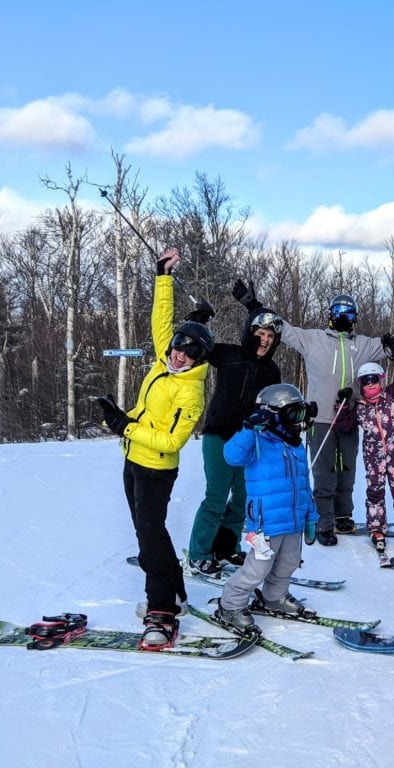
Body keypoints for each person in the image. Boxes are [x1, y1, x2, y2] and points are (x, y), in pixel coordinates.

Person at [94, 247, 213, 649]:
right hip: (132, 460)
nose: (178, 352)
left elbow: (172, 441)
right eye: (178, 344)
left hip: (157, 469)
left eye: (188, 350)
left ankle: (161, 607)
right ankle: (176, 590)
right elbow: (159, 321)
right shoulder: (164, 363)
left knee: (149, 536)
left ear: (199, 359)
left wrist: (124, 424)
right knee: (149, 532)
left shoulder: (190, 392)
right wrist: (163, 277)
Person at [277, 291, 394, 545]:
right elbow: (285, 330)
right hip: (321, 418)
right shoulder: (313, 339)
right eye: (338, 313)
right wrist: (256, 308)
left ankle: (343, 514)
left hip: (350, 416)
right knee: (324, 473)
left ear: (355, 317)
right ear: (330, 316)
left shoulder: (365, 344)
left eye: (348, 313)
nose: (342, 317)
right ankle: (324, 522)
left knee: (346, 469)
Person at [185, 289, 284, 576]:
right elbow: (196, 342)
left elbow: (273, 406)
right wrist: (200, 316)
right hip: (218, 435)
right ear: (250, 332)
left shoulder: (272, 371)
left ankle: (226, 548)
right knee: (216, 495)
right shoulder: (229, 354)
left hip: (249, 441)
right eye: (260, 333)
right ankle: (198, 554)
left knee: (242, 498)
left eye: (270, 336)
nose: (265, 341)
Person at [213, 384, 320, 632]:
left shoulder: (294, 444)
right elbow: (231, 455)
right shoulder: (257, 441)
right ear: (273, 413)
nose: (299, 421)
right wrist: (249, 429)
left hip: (293, 520)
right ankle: (230, 604)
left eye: (301, 413)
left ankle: (275, 596)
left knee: (289, 563)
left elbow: (303, 484)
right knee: (257, 569)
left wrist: (311, 516)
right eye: (294, 413)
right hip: (266, 523)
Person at [337, 335, 394, 558]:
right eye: (366, 380)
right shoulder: (359, 407)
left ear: (381, 378)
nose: (370, 384)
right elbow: (344, 425)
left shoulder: (393, 395)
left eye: (374, 379)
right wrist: (340, 403)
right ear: (361, 383)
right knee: (375, 493)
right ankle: (377, 528)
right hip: (374, 458)